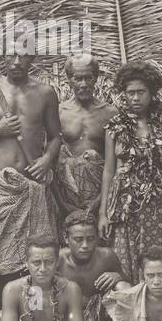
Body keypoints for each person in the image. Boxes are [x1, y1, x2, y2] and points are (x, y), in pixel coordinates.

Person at [0, 45, 61, 296]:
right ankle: (1, 314)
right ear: (3, 57)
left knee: (38, 254)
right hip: (1, 188)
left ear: (33, 57)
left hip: (33, 182)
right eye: (11, 54)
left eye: (23, 55)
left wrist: (48, 159)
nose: (17, 60)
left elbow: (55, 137)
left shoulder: (46, 93)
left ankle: (34, 316)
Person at [99, 61, 162, 284]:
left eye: (141, 92)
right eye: (130, 93)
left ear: (151, 93)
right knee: (123, 258)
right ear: (123, 94)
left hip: (156, 201)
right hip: (122, 199)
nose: (135, 98)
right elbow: (108, 170)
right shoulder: (114, 126)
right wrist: (103, 213)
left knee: (154, 257)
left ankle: (153, 307)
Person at [54, 54, 117, 219]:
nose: (83, 84)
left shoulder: (110, 113)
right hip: (67, 193)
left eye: (88, 78)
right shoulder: (59, 113)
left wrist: (101, 200)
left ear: (95, 79)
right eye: (78, 78)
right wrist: (62, 203)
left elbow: (115, 162)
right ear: (69, 79)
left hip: (102, 192)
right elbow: (52, 159)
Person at [57, 209, 128, 321]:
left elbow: (128, 285)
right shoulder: (58, 261)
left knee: (123, 287)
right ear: (66, 238)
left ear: (97, 238)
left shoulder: (106, 257)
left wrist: (118, 276)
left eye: (90, 239)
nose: (85, 245)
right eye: (78, 239)